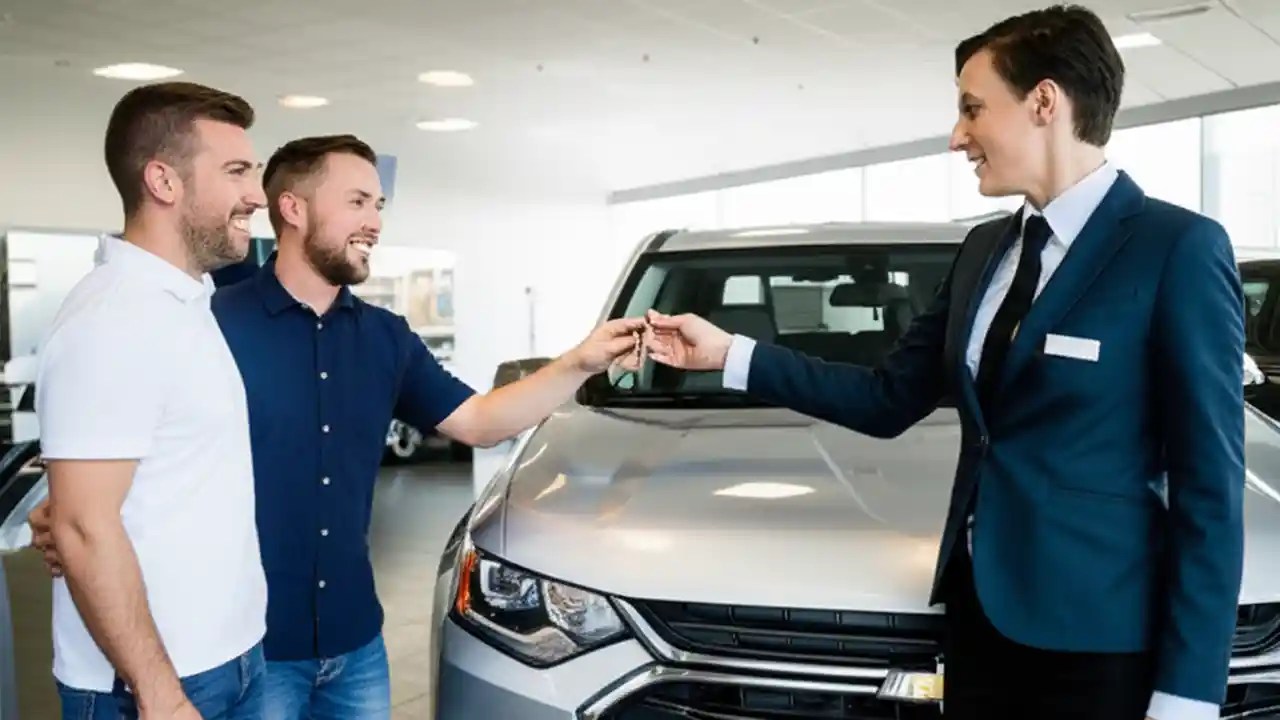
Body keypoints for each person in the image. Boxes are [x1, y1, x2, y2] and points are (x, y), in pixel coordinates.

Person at [642, 5, 1244, 720]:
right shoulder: (984, 252)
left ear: (1044, 102)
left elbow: (1211, 488)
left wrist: (1189, 691)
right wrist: (731, 354)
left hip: (1100, 642)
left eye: (972, 108)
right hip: (978, 622)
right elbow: (887, 397)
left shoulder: (1177, 248)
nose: (958, 136)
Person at [33, 133, 645, 719]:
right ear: (292, 209)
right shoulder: (210, 320)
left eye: (378, 204)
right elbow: (130, 440)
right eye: (357, 202)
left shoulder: (386, 337)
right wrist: (65, 509)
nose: (375, 221)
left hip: (356, 645)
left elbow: (481, 421)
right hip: (250, 652)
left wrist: (580, 362)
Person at [34, 81, 270, 719]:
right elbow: (84, 527)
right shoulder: (113, 318)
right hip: (150, 686)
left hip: (231, 660)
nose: (258, 194)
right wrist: (158, 691)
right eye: (237, 172)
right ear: (164, 182)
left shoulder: (185, 301)